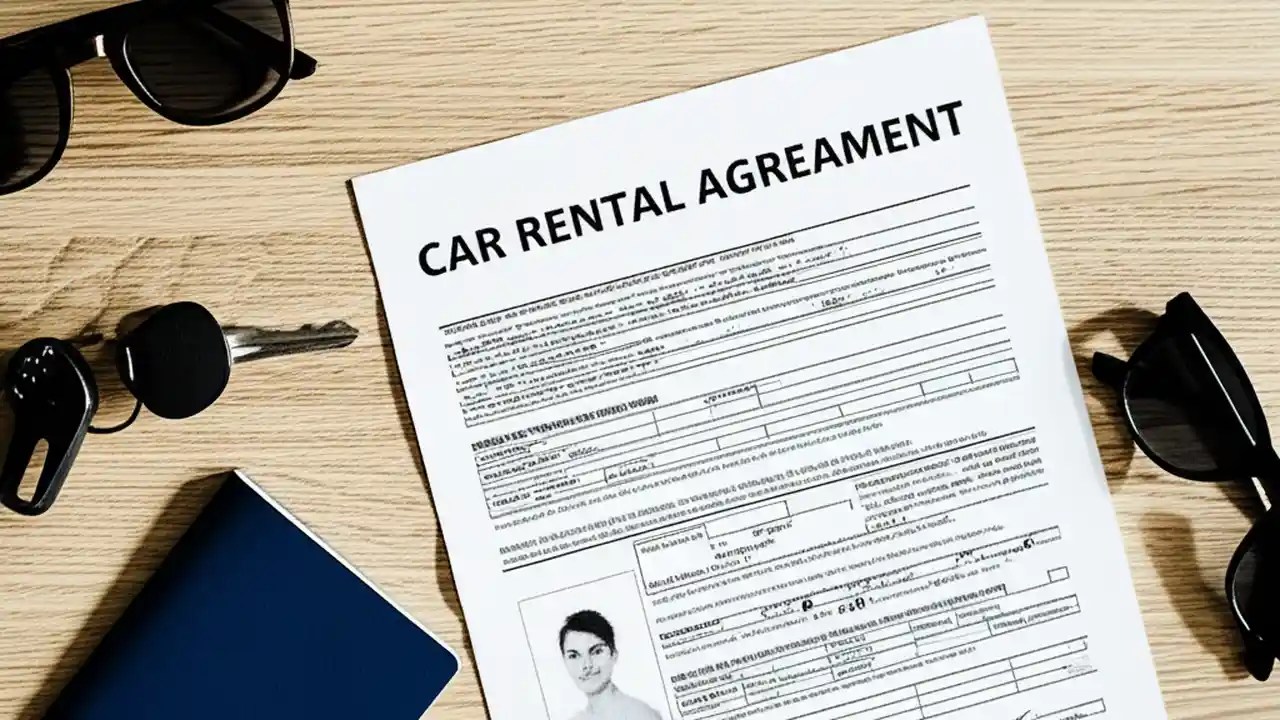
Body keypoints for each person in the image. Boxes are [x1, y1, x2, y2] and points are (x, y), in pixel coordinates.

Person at [559, 610, 663, 720]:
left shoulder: (639, 714)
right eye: (574, 656)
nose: (586, 665)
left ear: (614, 654)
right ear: (564, 661)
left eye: (597, 652)